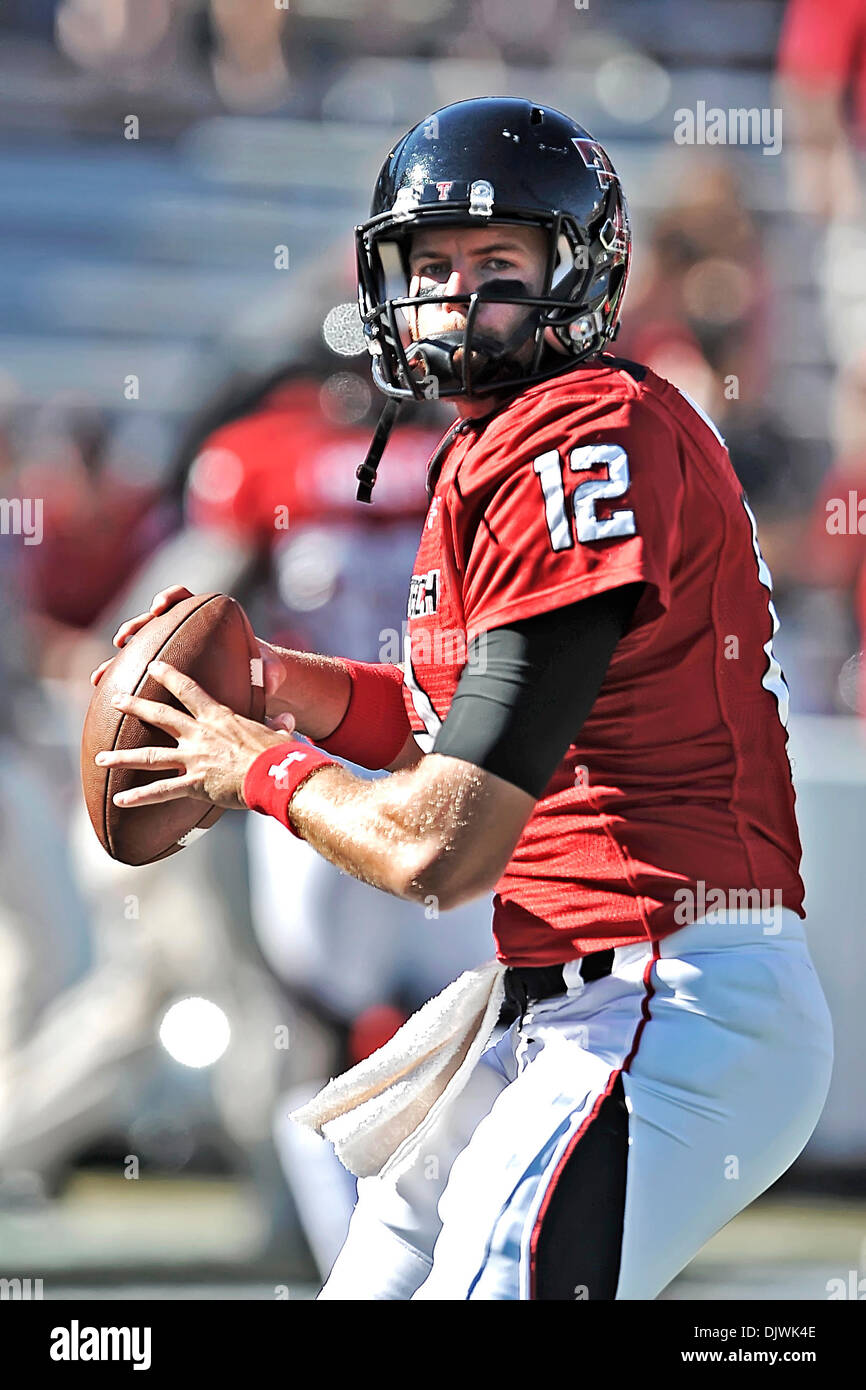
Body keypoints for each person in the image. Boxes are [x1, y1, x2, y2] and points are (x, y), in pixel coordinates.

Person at [90, 98, 833, 1300]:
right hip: (563, 997)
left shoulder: (582, 438)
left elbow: (441, 847)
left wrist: (253, 765)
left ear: (576, 273)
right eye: (430, 267)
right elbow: (468, 723)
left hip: (667, 994)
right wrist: (286, 691)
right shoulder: (511, 441)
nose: (457, 296)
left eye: (498, 265)